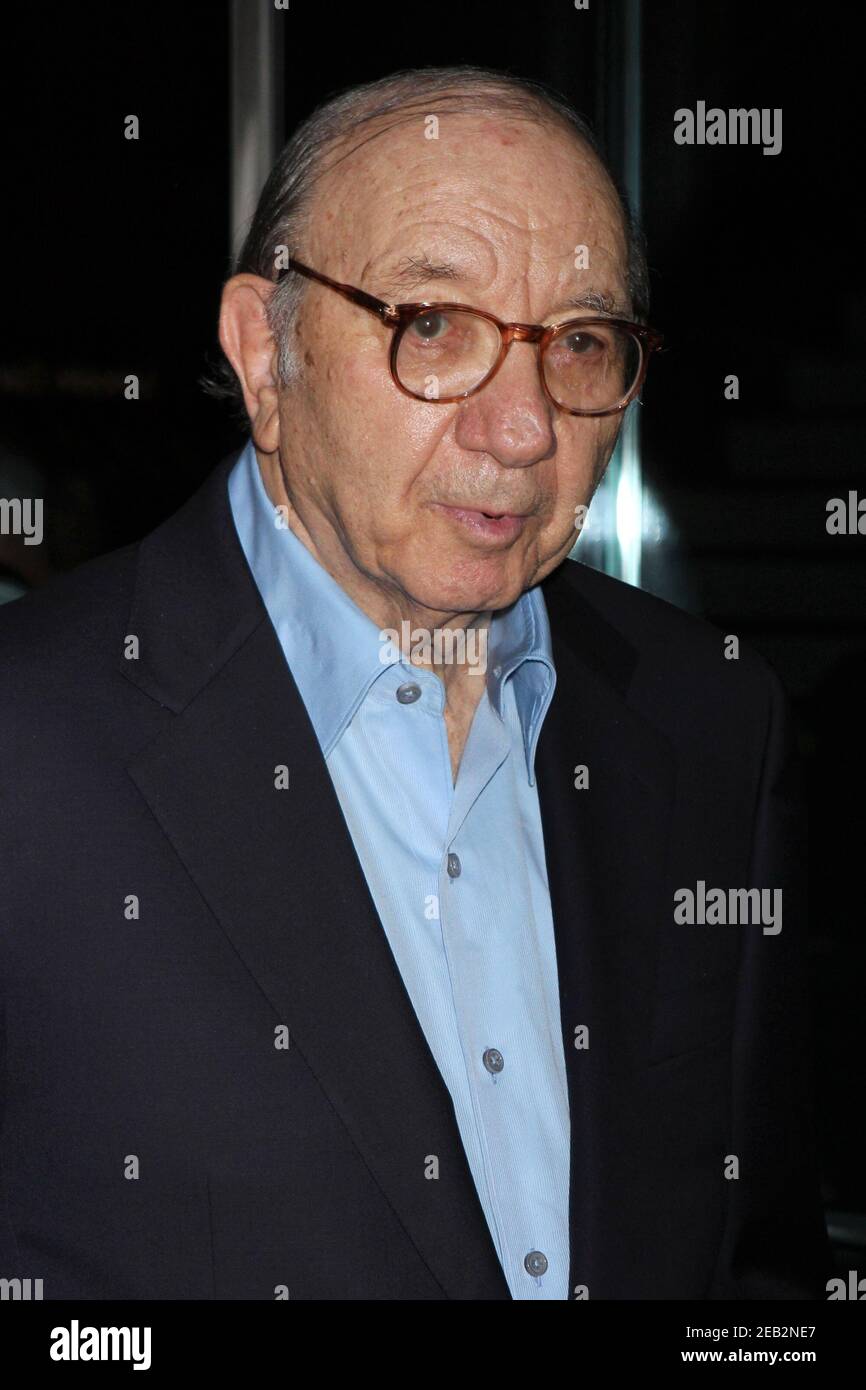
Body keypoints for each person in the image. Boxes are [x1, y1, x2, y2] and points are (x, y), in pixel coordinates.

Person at [0, 65, 831, 1300]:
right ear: (264, 354)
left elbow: (753, 1254)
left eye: (581, 343)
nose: (523, 428)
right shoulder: (29, 742)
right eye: (432, 327)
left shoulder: (710, 718)